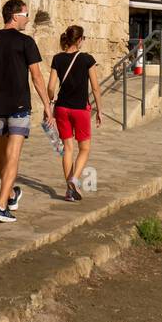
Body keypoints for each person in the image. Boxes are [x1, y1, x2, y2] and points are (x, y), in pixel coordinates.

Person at [0, 0, 54, 223]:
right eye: (26, 15)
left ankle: (11, 193)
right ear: (15, 16)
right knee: (13, 157)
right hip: (18, 107)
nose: (28, 19)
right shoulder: (26, 42)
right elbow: (36, 77)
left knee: (3, 154)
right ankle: (1, 206)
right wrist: (47, 106)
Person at [46, 25, 103, 202]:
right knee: (84, 148)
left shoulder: (57, 59)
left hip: (61, 108)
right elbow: (95, 87)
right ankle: (74, 179)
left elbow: (50, 87)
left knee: (67, 149)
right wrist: (99, 110)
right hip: (80, 109)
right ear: (79, 40)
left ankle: (69, 191)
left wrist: (50, 102)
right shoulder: (87, 59)